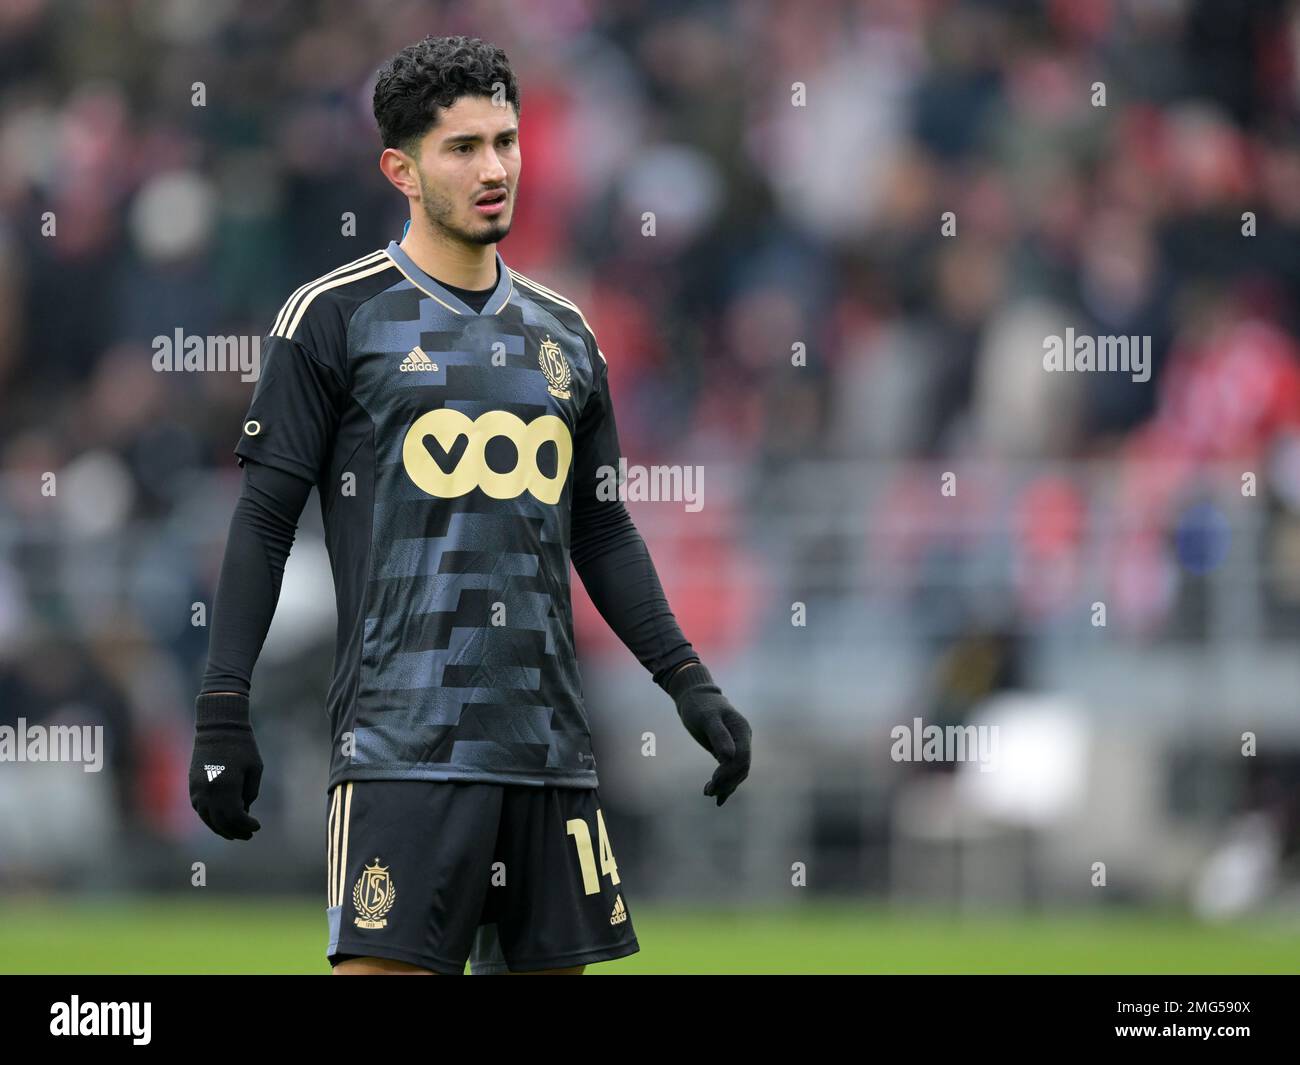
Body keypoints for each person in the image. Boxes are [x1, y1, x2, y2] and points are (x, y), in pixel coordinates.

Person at [188, 34, 751, 976]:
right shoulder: (334, 316)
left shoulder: (564, 332)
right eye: (463, 148)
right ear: (400, 169)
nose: (495, 169)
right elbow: (263, 520)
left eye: (506, 141)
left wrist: (685, 678)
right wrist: (220, 707)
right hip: (401, 746)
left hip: (546, 751)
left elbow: (602, 527)